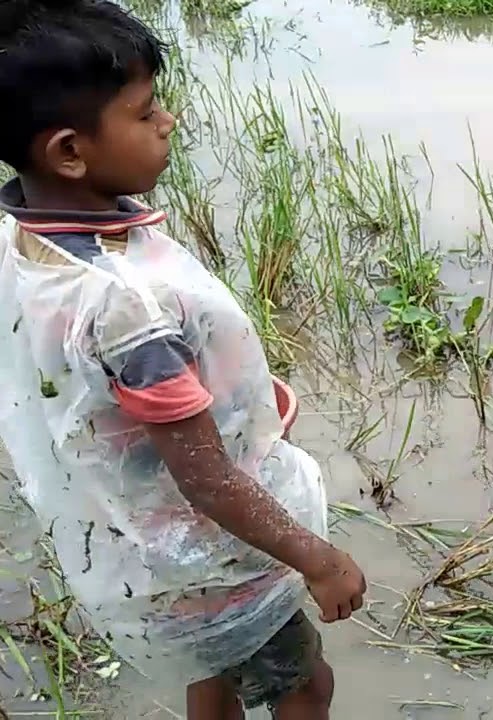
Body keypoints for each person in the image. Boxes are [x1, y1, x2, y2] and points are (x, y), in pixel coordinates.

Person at [0, 1, 365, 718]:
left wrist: (230, 392)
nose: (166, 121)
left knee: (216, 671)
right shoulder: (126, 305)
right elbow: (207, 481)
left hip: (138, 547)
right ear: (69, 151)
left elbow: (101, 396)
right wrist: (318, 560)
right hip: (206, 554)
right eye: (143, 113)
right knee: (303, 685)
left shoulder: (28, 243)